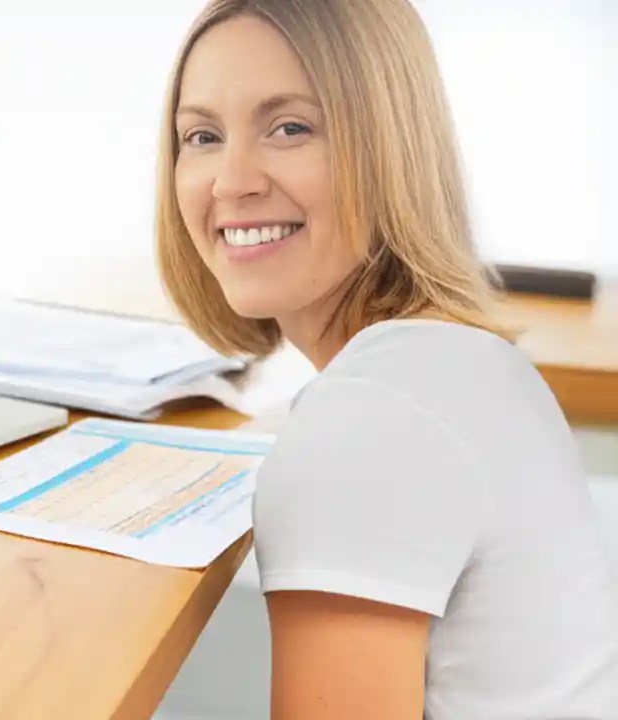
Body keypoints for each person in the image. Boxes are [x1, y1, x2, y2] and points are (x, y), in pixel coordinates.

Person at [155, 1, 618, 718]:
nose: (232, 180)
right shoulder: (455, 364)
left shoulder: (372, 418)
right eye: (203, 135)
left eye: (291, 128)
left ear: (391, 145)